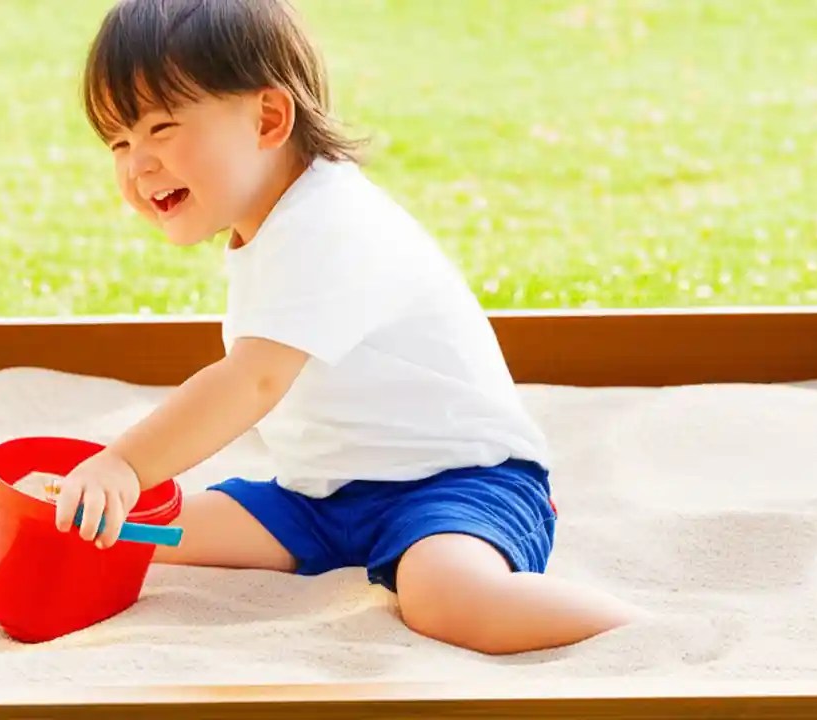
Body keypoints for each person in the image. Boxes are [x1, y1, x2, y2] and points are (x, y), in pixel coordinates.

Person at [55, 0, 632, 655]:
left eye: (161, 128)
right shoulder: (270, 218)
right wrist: (120, 490)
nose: (137, 166)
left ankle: (633, 630)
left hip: (459, 480)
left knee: (444, 597)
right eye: (119, 142)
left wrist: (126, 463)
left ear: (269, 118)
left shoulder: (328, 222)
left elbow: (253, 382)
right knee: (146, 533)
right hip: (323, 496)